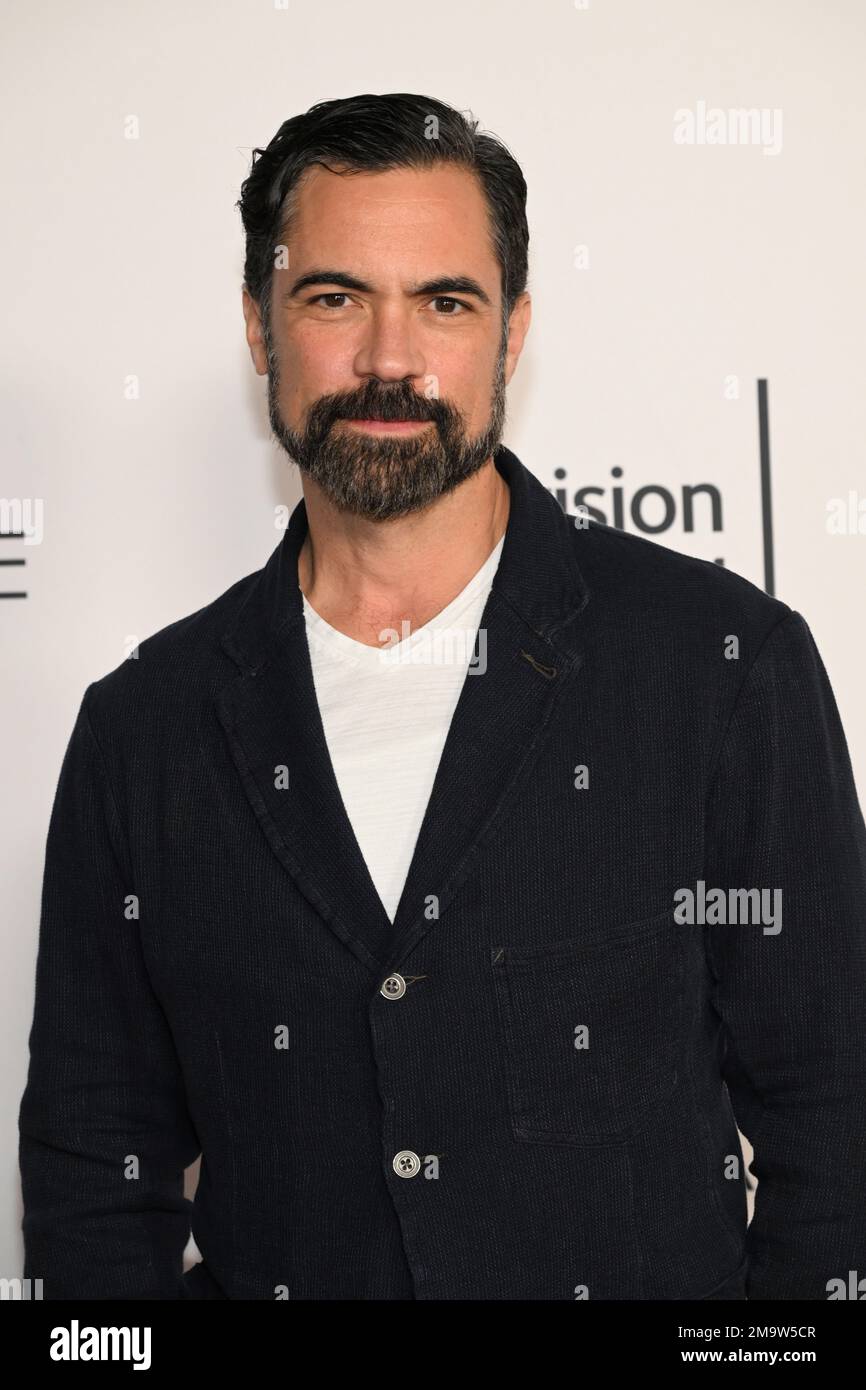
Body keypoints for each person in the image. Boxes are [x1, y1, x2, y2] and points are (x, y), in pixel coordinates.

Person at [19, 92, 866, 1300]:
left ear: (511, 334)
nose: (387, 359)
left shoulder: (721, 667)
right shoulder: (143, 728)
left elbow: (834, 1118)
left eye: (443, 301)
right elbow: (94, 1172)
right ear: (261, 330)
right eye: (332, 297)